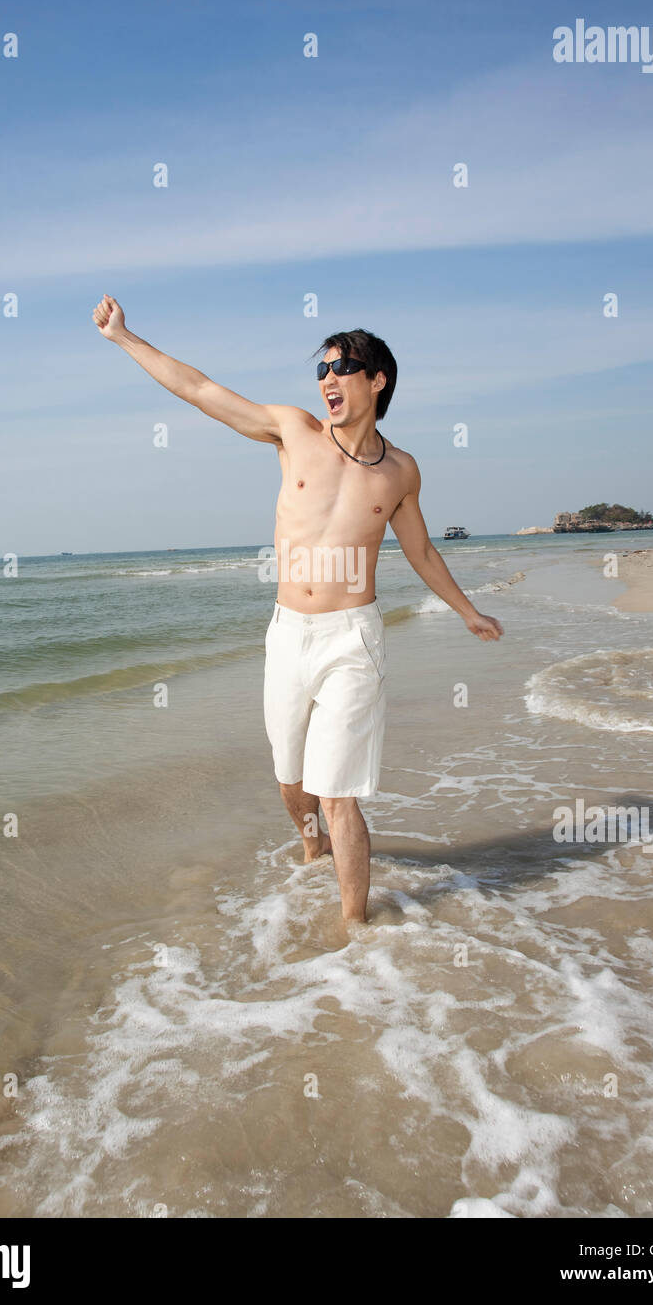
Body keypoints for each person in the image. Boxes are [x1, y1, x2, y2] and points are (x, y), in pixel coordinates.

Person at [93, 296, 503, 923]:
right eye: (322, 369)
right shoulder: (293, 431)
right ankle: (312, 850)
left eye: (342, 368)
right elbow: (199, 390)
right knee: (293, 781)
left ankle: (355, 929)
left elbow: (420, 550)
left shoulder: (400, 471)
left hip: (353, 640)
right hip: (288, 636)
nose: (328, 379)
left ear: (377, 380)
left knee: (338, 794)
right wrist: (125, 338)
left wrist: (467, 611)